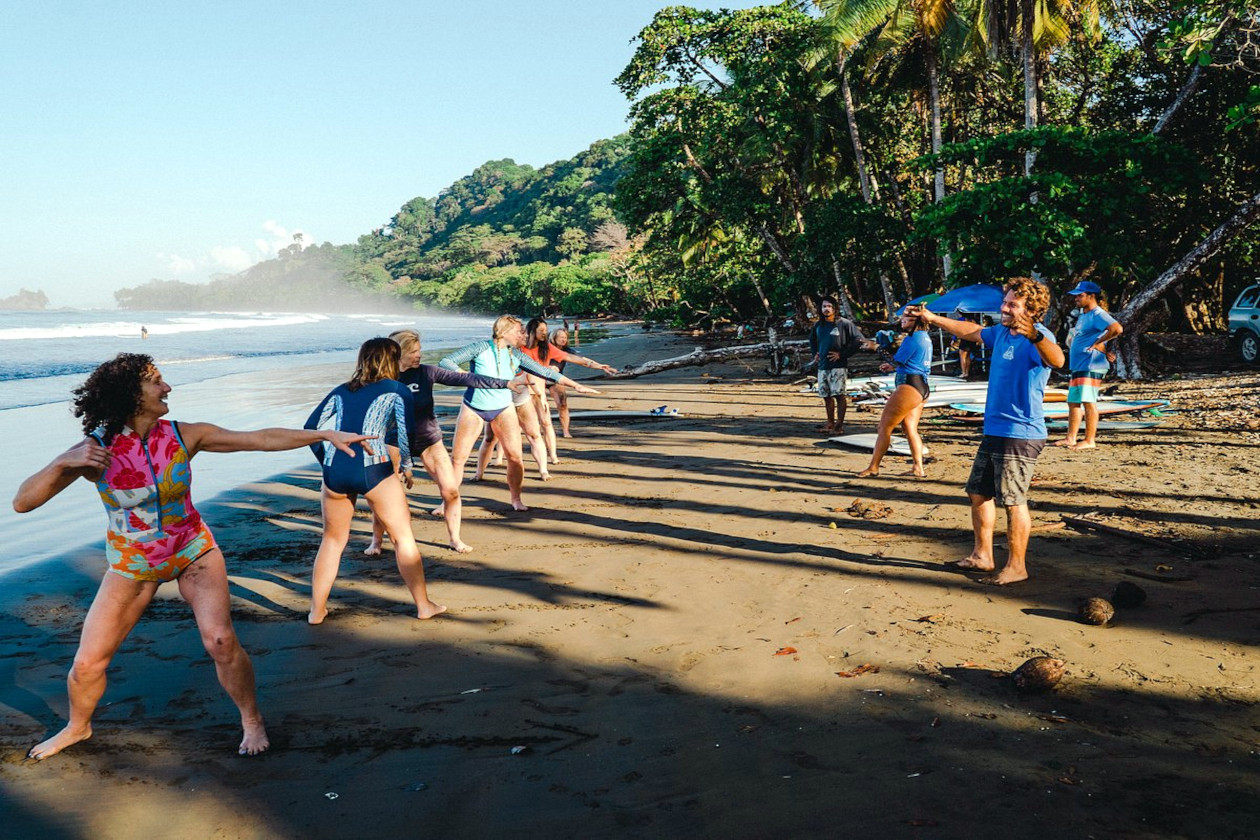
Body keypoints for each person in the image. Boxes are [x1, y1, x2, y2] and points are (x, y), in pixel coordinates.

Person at [13, 353, 372, 760]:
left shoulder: (184, 435)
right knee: (87, 664)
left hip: (193, 550)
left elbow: (258, 438)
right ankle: (78, 727)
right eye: (156, 382)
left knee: (220, 640)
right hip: (134, 564)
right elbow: (23, 503)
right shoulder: (95, 450)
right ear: (130, 394)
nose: (167, 387)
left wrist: (323, 436)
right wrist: (62, 461)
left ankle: (251, 719)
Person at [910, 277, 1064, 585]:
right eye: (1005, 302)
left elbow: (1058, 359)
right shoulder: (1003, 333)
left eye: (1012, 304)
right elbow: (974, 332)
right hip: (995, 427)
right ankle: (982, 556)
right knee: (978, 492)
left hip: (1021, 432)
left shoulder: (1037, 336)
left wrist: (1034, 335)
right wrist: (933, 318)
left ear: (1031, 310)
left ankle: (1017, 566)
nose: (1004, 308)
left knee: (1012, 499)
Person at [305, 338, 446, 624]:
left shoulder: (342, 390)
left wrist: (327, 461)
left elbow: (311, 429)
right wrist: (407, 466)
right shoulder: (398, 389)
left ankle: (316, 611)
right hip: (374, 470)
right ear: (392, 360)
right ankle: (424, 606)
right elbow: (405, 435)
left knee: (332, 540)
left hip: (336, 470)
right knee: (402, 537)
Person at [364, 329, 515, 557]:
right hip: (393, 442)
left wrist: (505, 383)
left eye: (419, 350)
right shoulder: (385, 380)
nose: (419, 355)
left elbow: (466, 378)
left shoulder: (427, 373)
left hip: (429, 440)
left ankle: (455, 539)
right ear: (399, 353)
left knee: (451, 491)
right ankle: (376, 540)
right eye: (414, 351)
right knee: (386, 495)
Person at [438, 316, 599, 512]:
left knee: (515, 457)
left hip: (503, 407)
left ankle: (516, 499)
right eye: (519, 331)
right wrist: (463, 375)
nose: (523, 334)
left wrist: (577, 386)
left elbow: (545, 372)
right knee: (458, 459)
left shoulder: (516, 355)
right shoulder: (480, 347)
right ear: (503, 332)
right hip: (473, 406)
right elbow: (446, 361)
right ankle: (446, 502)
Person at [857, 311, 933, 478]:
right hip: (920, 384)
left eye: (906, 318)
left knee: (884, 427)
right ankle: (918, 468)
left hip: (909, 385)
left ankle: (874, 466)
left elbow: (895, 360)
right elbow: (907, 362)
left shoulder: (913, 339)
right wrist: (892, 367)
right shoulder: (924, 337)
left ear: (917, 320)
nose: (902, 320)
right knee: (909, 428)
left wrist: (876, 347)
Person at [1055, 280, 1123, 450]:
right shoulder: (1083, 315)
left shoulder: (1098, 314)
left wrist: (1098, 342)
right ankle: (1071, 438)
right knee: (1074, 401)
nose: (1076, 298)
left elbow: (1117, 329)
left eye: (1080, 295)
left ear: (1091, 296)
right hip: (1080, 364)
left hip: (1092, 364)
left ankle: (1089, 440)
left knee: (1088, 401)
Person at [808, 295, 866, 435]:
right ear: (820, 309)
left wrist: (842, 354)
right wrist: (815, 353)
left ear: (834, 308)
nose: (826, 309)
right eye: (824, 306)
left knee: (839, 395)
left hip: (838, 366)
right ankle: (830, 423)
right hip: (823, 366)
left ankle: (839, 425)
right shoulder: (818, 325)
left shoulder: (844, 323)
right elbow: (812, 341)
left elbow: (859, 340)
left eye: (829, 306)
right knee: (826, 396)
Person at [545, 326, 615, 439]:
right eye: (561, 337)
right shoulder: (546, 348)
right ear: (554, 338)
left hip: (557, 380)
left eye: (565, 337)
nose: (564, 340)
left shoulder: (567, 351)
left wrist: (600, 366)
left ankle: (566, 431)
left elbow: (582, 360)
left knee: (562, 405)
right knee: (541, 407)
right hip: (539, 379)